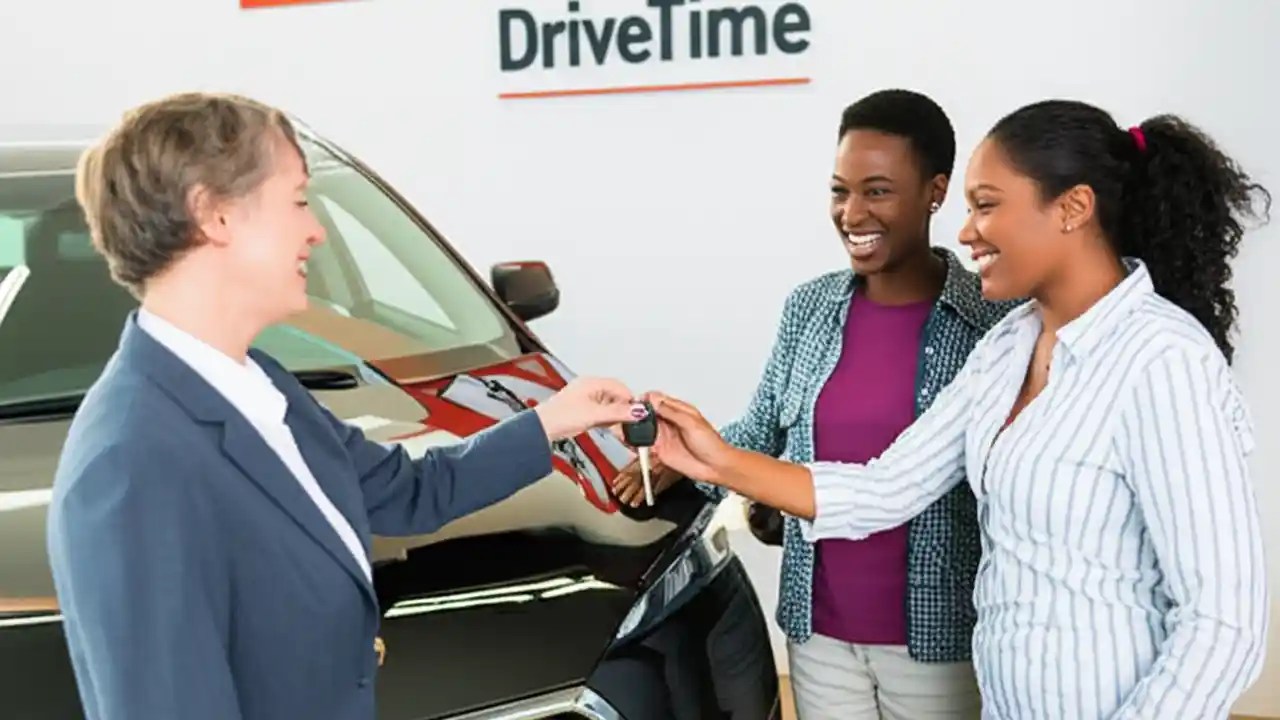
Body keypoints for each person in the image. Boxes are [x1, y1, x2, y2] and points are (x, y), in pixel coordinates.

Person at [635, 99, 1271, 720]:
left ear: (1074, 208)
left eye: (986, 206)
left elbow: (1222, 621)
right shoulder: (1007, 347)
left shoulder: (1163, 360)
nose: (965, 232)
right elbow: (885, 487)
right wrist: (713, 458)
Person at [45, 92, 645, 720]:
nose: (315, 230)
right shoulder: (131, 468)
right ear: (213, 215)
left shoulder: (255, 384)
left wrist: (552, 419)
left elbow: (407, 491)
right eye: (298, 200)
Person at [613, 89, 1018, 719]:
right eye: (840, 190)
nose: (852, 213)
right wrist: (681, 458)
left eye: (878, 190)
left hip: (944, 641)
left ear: (936, 192)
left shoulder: (996, 322)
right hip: (819, 634)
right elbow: (761, 428)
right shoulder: (809, 308)